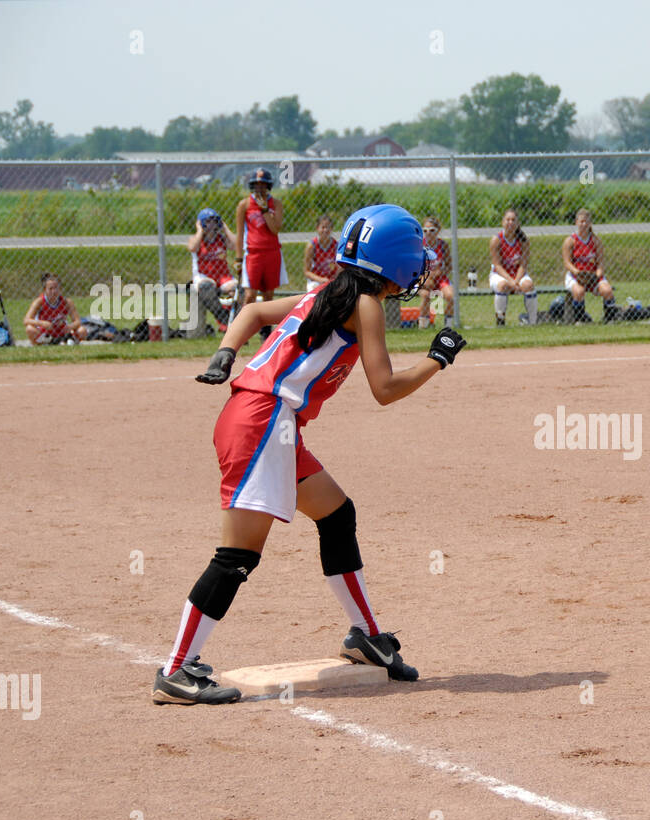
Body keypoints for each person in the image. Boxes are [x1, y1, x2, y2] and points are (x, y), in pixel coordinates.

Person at [152, 204, 466, 705]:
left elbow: (252, 312)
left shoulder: (330, 292)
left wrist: (224, 354)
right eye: (414, 256)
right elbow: (384, 388)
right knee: (237, 557)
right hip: (263, 423)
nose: (421, 264)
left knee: (337, 515)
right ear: (396, 263)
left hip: (266, 421)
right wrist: (436, 359)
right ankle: (176, 669)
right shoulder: (363, 303)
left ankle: (366, 637)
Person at [234, 168, 285, 340]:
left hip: (271, 252)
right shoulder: (244, 205)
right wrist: (238, 257)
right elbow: (240, 234)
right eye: (256, 185)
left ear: (269, 186)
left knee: (268, 295)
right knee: (250, 295)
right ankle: (241, 330)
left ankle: (266, 332)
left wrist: (265, 211)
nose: (260, 188)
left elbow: (275, 229)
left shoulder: (275, 204)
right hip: (253, 253)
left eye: (263, 185)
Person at [560, 208, 619, 323]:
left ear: (590, 223)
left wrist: (596, 276)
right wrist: (578, 273)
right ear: (576, 222)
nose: (584, 224)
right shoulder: (570, 241)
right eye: (581, 221)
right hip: (575, 275)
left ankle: (610, 318)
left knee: (607, 290)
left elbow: (601, 263)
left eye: (587, 221)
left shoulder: (596, 241)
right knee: (579, 292)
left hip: (593, 275)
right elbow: (567, 263)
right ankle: (580, 319)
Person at [187, 208, 237, 335]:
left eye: (214, 221)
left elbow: (237, 246)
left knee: (239, 290)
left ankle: (237, 324)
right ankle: (225, 321)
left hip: (223, 276)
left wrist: (225, 228)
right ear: (202, 223)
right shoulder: (197, 240)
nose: (211, 225)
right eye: (208, 222)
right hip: (204, 276)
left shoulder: (221, 238)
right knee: (207, 287)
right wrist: (199, 230)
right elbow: (192, 247)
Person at [488, 208, 538, 326]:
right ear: (502, 222)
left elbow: (523, 265)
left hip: (518, 274)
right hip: (499, 274)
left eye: (513, 220)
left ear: (517, 223)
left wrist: (516, 281)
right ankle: (500, 321)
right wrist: (512, 282)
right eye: (507, 220)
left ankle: (532, 322)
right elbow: (497, 265)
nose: (510, 222)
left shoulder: (523, 240)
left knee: (528, 285)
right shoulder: (496, 240)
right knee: (503, 285)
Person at [23, 272, 85, 345]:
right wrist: (42, 323)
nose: (54, 291)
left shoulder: (66, 302)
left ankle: (70, 341)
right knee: (29, 329)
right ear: (45, 290)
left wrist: (70, 327)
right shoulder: (39, 302)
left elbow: (78, 321)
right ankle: (45, 343)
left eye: (56, 288)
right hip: (46, 333)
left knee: (82, 330)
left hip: (62, 332)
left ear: (60, 289)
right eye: (50, 289)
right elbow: (26, 320)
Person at [417, 215, 454, 327]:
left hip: (440, 278)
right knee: (426, 295)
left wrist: (440, 272)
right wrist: (424, 279)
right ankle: (423, 324)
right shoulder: (419, 246)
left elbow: (449, 266)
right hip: (423, 279)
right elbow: (413, 268)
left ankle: (448, 324)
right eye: (425, 230)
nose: (428, 233)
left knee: (451, 296)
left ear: (438, 232)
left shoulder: (443, 245)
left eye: (432, 230)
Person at [302, 214, 340, 293]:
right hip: (316, 280)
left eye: (328, 227)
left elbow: (339, 268)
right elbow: (306, 272)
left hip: (331, 280)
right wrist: (321, 280)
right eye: (323, 227)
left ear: (332, 229)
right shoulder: (312, 246)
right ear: (317, 228)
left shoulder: (336, 245)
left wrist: (333, 280)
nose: (325, 230)